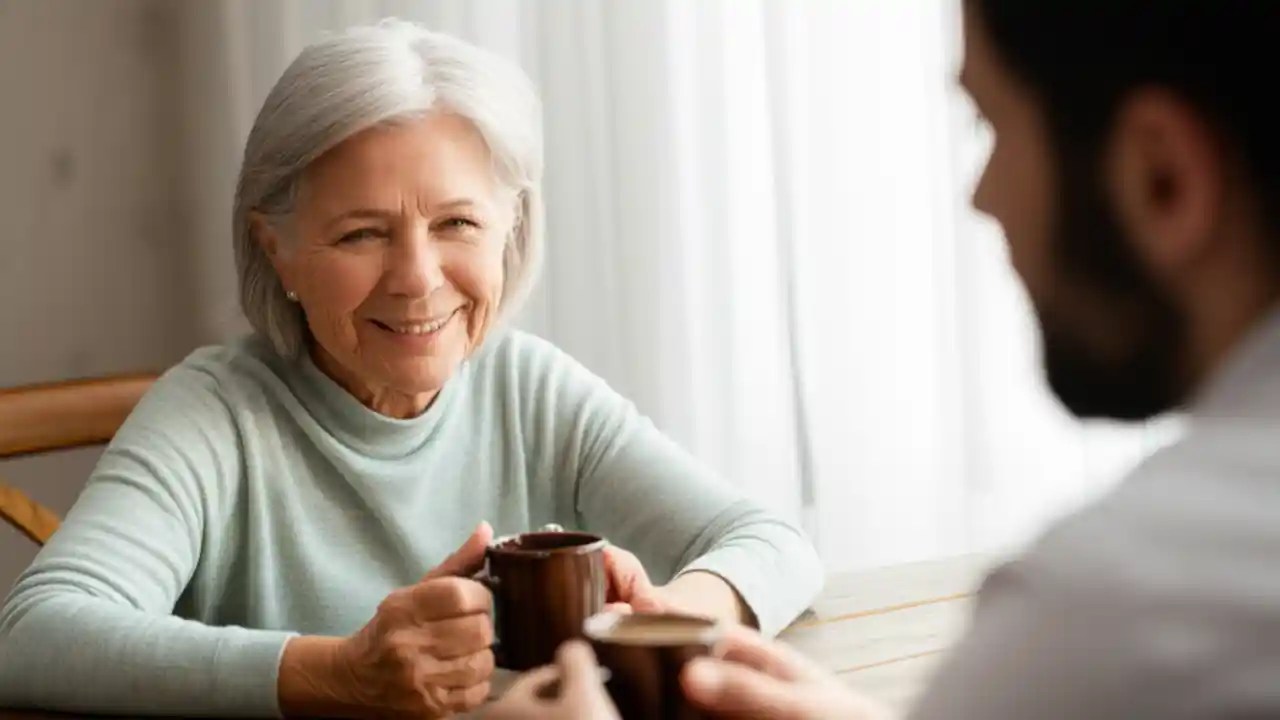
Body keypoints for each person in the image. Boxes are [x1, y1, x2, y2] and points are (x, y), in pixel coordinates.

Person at [0, 20, 823, 719]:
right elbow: (33, 633)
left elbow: (772, 544)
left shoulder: (526, 385)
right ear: (274, 247)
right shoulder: (215, 417)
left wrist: (658, 620)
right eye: (361, 233)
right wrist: (340, 673)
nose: (417, 278)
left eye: (457, 222)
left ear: (509, 228)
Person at [487, 0, 1280, 717]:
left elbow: (770, 541)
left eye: (993, 127)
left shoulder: (1116, 611)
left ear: (1162, 178)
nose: (983, 196)